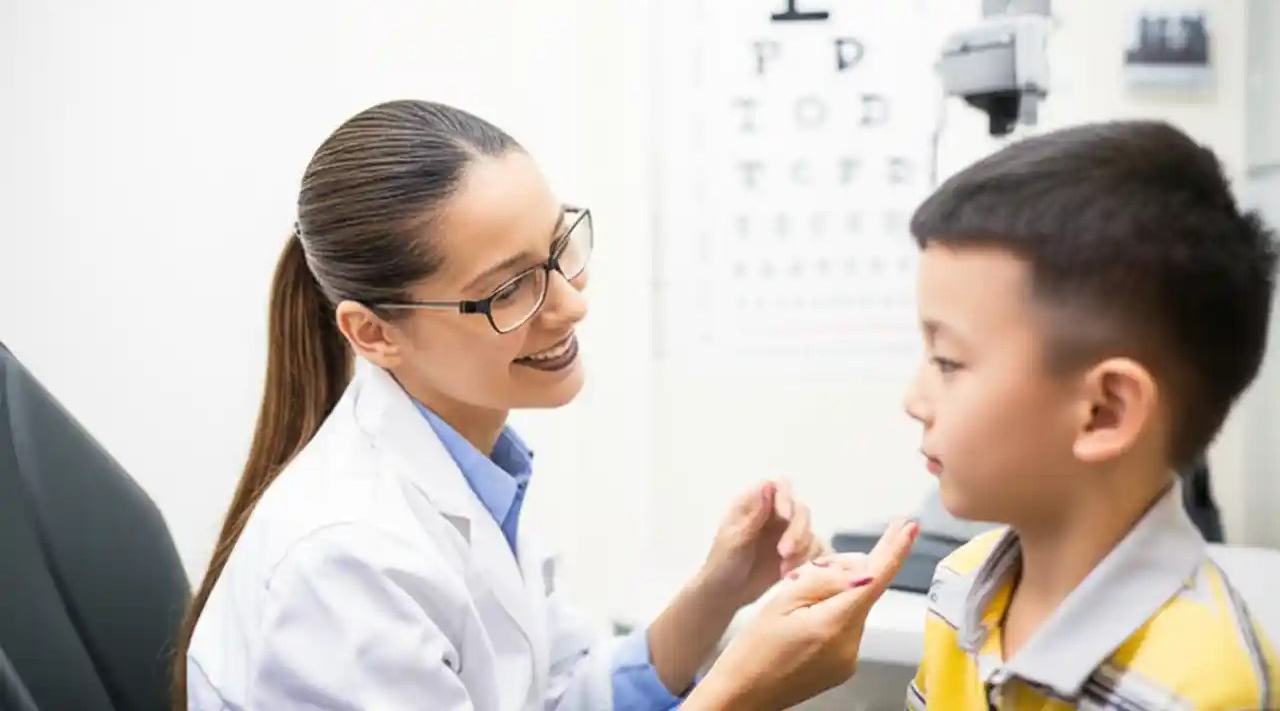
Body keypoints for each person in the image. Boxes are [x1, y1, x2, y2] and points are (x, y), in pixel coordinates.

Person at [176, 99, 919, 711]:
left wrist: (716, 595)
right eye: (510, 289)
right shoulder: (345, 563)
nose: (569, 304)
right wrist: (737, 694)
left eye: (561, 248)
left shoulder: (476, 468)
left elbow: (559, 697)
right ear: (374, 333)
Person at [902, 121, 1279, 710]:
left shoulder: (1201, 690)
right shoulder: (961, 586)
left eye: (948, 361)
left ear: (1104, 412)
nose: (913, 400)